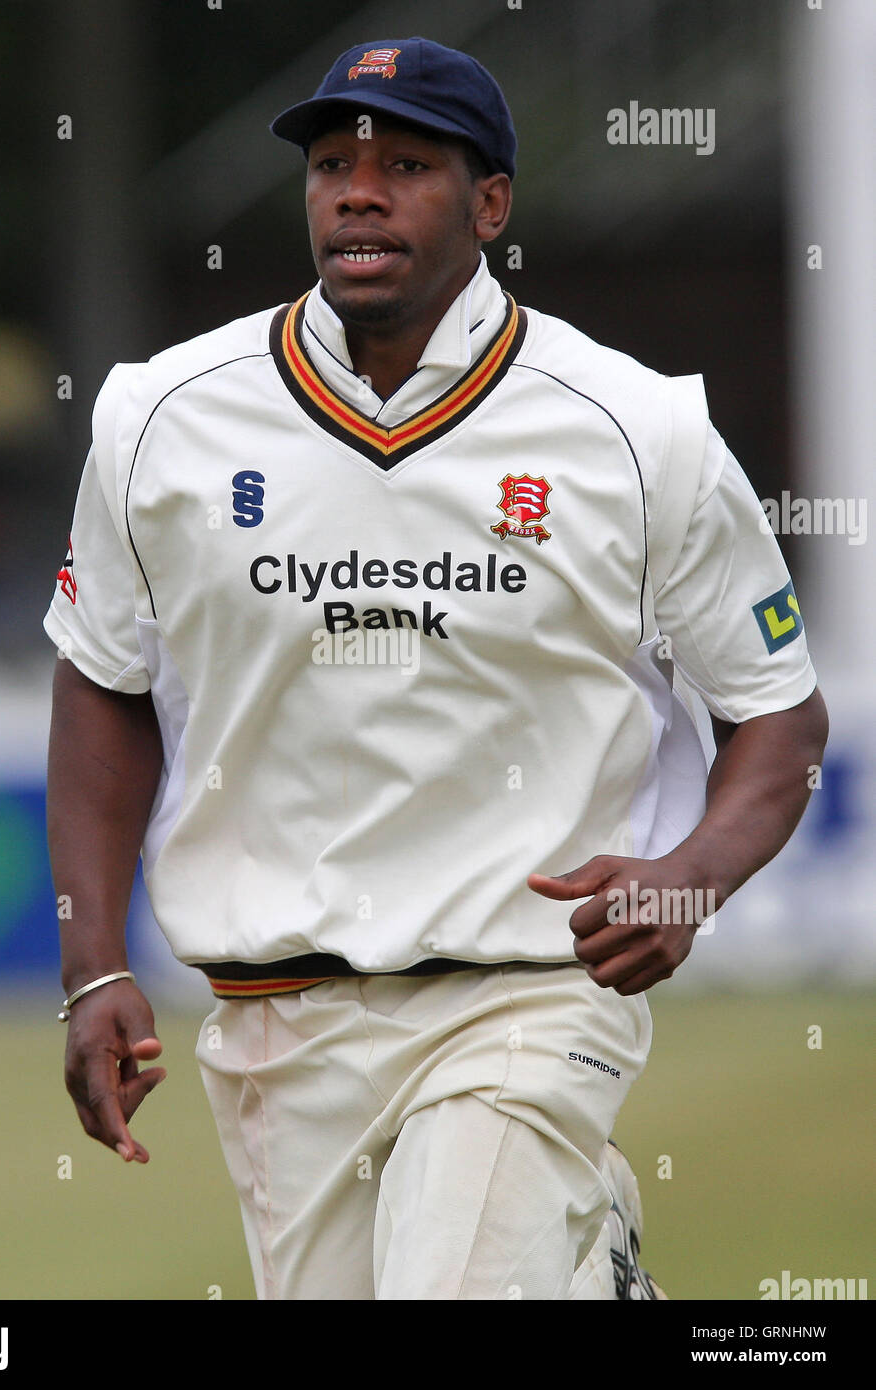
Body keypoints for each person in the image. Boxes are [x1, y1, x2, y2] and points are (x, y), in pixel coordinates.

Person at [44, 38, 828, 1300]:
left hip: (526, 1000)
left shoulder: (638, 429)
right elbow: (102, 683)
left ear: (489, 203)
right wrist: (94, 964)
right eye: (331, 164)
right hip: (274, 1021)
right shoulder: (160, 417)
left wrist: (689, 877)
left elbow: (778, 717)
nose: (357, 189)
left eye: (405, 163)